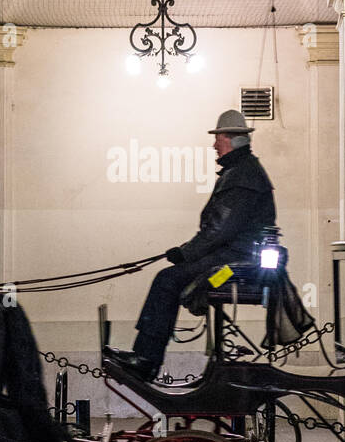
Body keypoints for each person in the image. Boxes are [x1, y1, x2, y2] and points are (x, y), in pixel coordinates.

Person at [104, 109, 276, 380]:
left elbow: (219, 230)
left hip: (234, 266)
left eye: (217, 140)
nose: (214, 146)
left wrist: (186, 254)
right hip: (235, 260)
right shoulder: (242, 172)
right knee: (171, 278)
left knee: (167, 280)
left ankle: (146, 358)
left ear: (231, 140)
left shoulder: (242, 176)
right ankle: (146, 356)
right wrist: (187, 252)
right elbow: (219, 230)